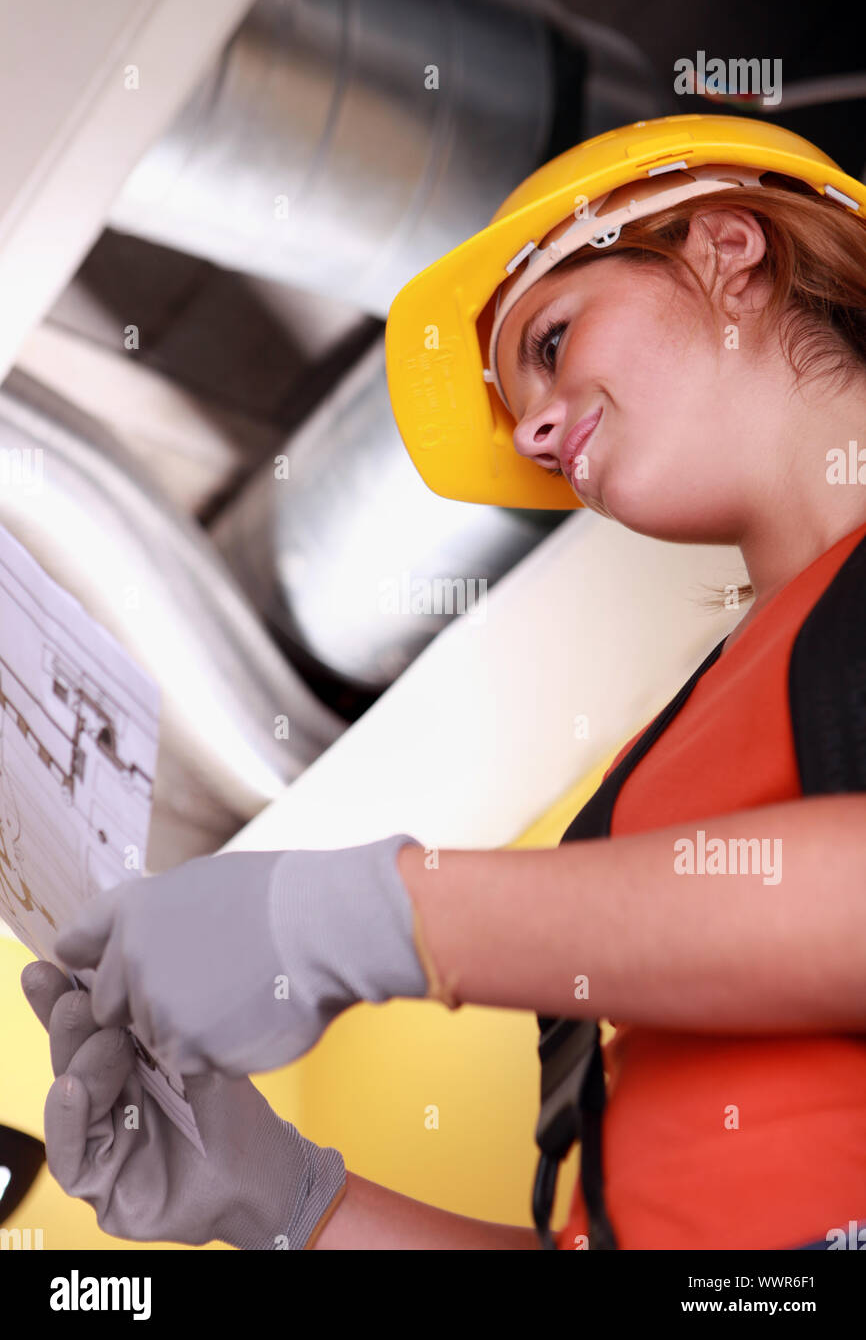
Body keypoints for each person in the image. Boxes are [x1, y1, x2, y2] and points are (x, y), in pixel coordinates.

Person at [21, 114, 866, 1251]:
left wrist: (379, 919)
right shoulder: (650, 774)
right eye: (525, 416)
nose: (538, 434)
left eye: (552, 343)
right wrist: (287, 1202)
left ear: (725, 247)